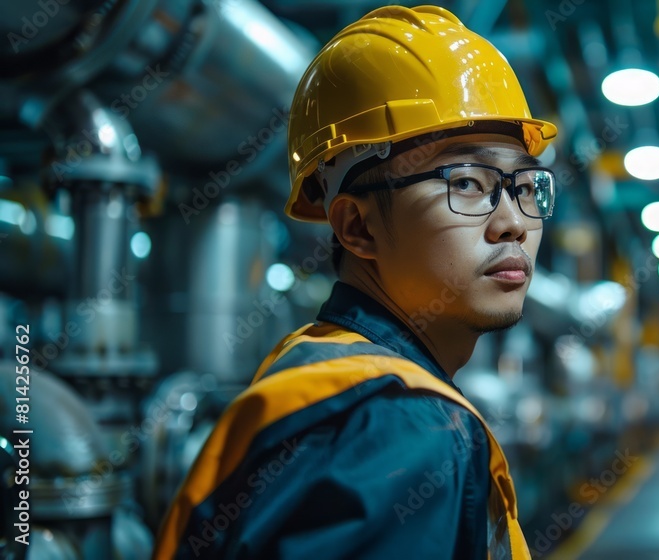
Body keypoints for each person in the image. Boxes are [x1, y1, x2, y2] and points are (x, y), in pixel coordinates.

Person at [152, 4, 557, 559]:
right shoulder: (398, 429)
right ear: (357, 226)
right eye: (466, 181)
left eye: (527, 185)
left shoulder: (325, 372)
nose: (513, 220)